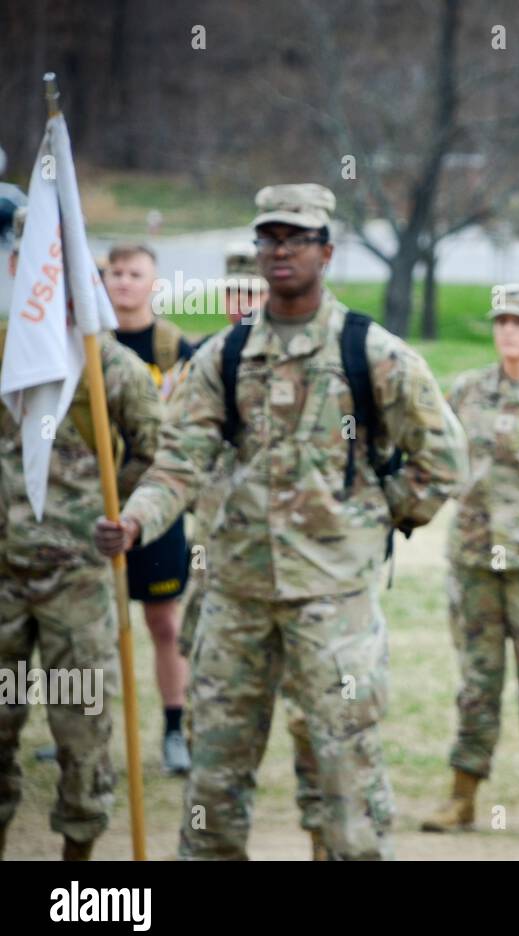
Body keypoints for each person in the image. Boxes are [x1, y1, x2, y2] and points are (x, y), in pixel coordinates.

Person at [94, 183, 469, 860]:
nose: (281, 250)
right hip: (235, 599)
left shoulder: (371, 351)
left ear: (326, 251)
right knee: (214, 782)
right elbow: (178, 461)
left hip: (333, 608)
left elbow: (444, 458)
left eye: (297, 238)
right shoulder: (226, 356)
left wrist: (375, 516)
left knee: (343, 780)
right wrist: (135, 522)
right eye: (269, 238)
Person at [1, 206, 162, 859]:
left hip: (79, 582)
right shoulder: (6, 355)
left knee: (82, 732)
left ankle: (79, 869)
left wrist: (122, 512)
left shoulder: (111, 367)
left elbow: (161, 451)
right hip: (3, 578)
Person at [176, 242, 329, 859]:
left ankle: (323, 831)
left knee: (315, 717)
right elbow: (175, 454)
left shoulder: (317, 362)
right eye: (235, 293)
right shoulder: (209, 365)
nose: (245, 304)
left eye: (253, 291)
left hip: (304, 574)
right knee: (214, 706)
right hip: (220, 564)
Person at [421, 283, 519, 837]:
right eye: (502, 321)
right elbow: (434, 457)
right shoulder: (464, 391)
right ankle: (463, 796)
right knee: (477, 681)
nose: (509, 330)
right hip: (474, 558)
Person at [105, 242, 195, 775]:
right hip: (97, 511)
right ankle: (90, 728)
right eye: (114, 273)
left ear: (153, 283)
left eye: (134, 273)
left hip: (157, 507)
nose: (123, 283)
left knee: (164, 622)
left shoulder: (173, 348)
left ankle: (174, 730)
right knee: (91, 627)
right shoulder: (82, 344)